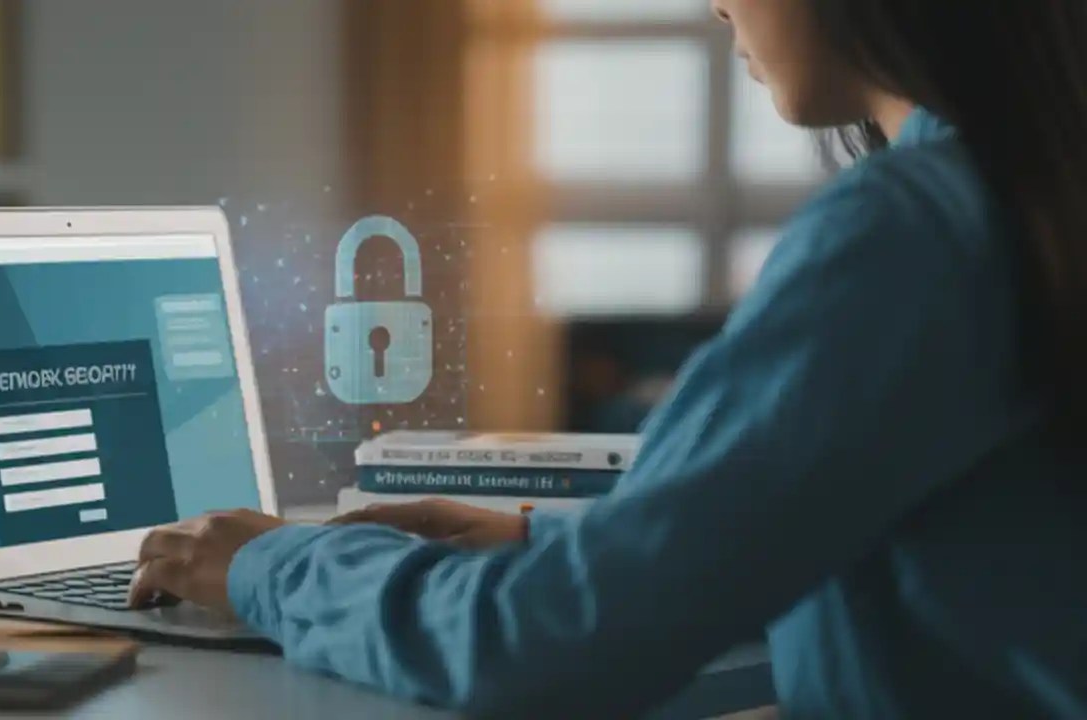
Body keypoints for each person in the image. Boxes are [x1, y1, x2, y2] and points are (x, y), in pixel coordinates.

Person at [130, 1, 1087, 717]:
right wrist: (549, 544)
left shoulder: (906, 232)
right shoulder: (1027, 190)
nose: (715, 3)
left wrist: (277, 565)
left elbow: (543, 646)